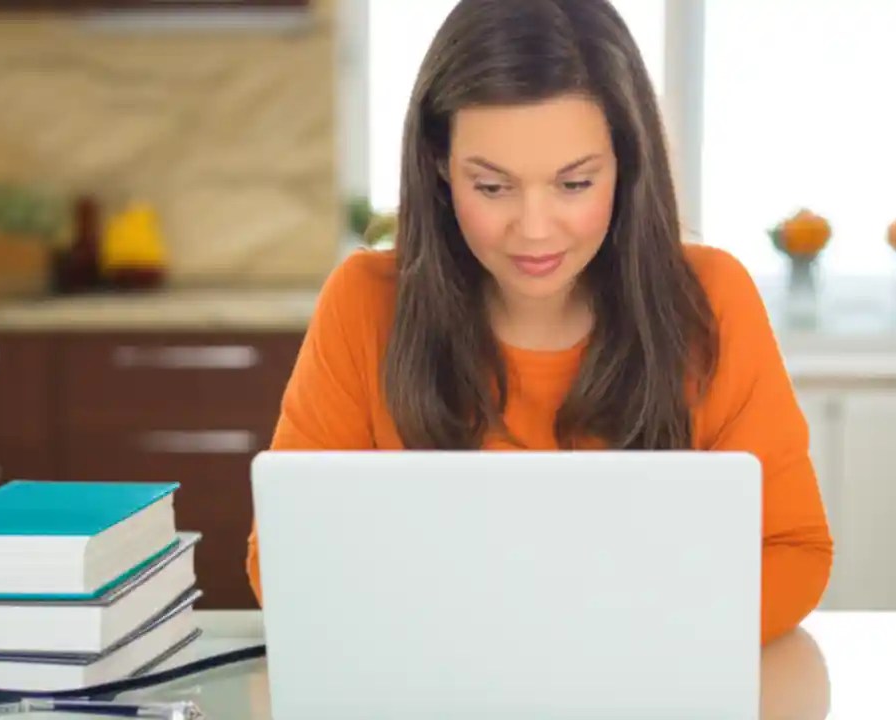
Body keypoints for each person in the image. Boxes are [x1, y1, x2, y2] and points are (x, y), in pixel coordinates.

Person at [247, 0, 832, 646]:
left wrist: (615, 645)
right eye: (492, 188)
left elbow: (792, 549)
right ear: (440, 166)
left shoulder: (712, 298)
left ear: (625, 163)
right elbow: (283, 562)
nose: (533, 229)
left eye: (574, 184)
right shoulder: (363, 304)